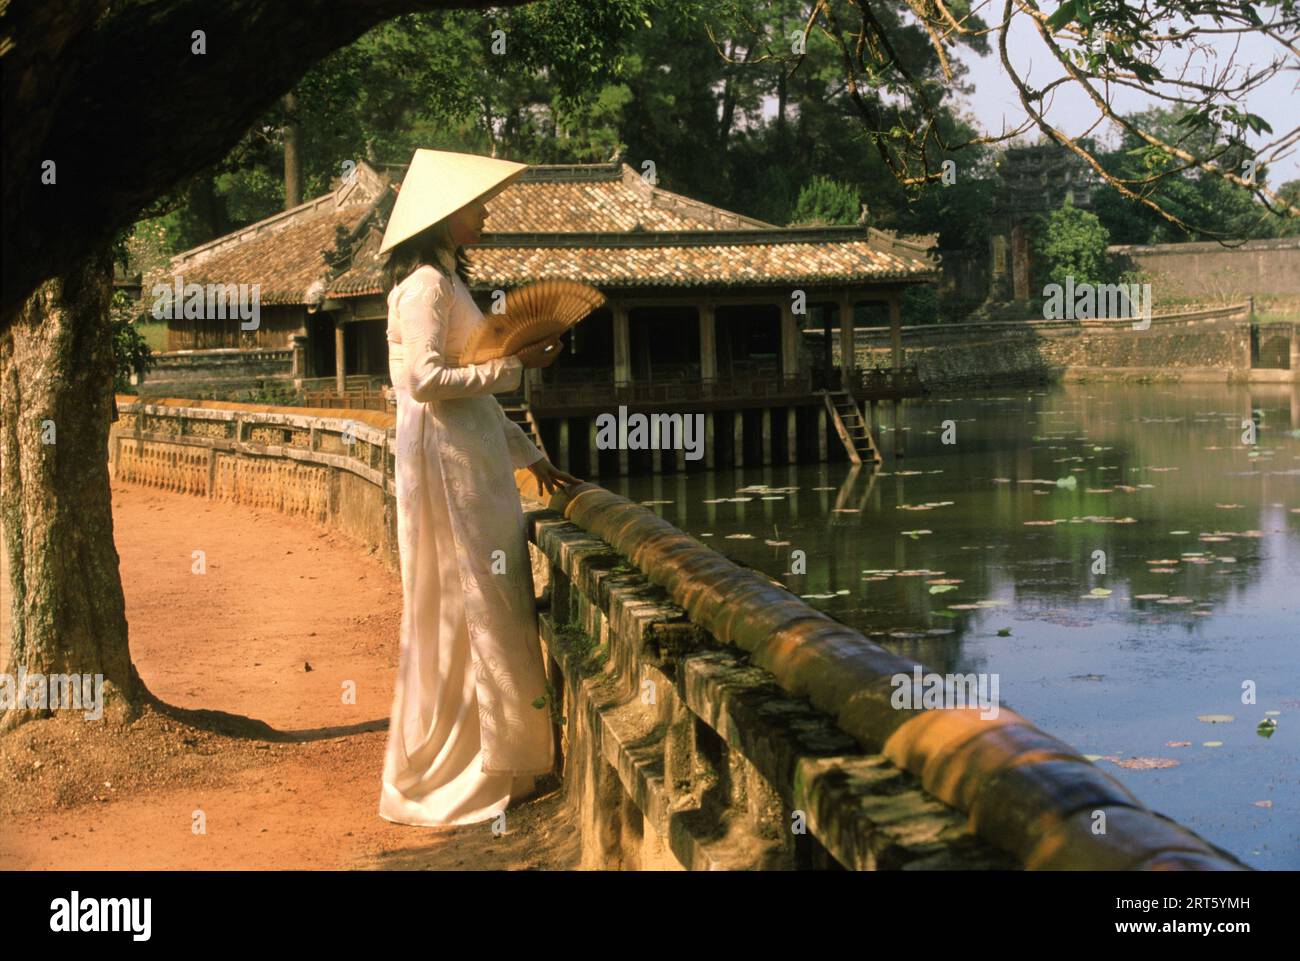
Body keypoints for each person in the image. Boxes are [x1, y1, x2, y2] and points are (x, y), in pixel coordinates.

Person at [377, 149, 580, 827]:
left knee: (489, 595)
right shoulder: (427, 288)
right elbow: (427, 382)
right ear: (446, 216)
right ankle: (478, 768)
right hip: (447, 463)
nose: (486, 215)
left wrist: (527, 453)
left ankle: (499, 759)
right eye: (477, 206)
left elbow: (472, 384)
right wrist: (511, 368)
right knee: (473, 597)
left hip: (470, 452)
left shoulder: (446, 280)